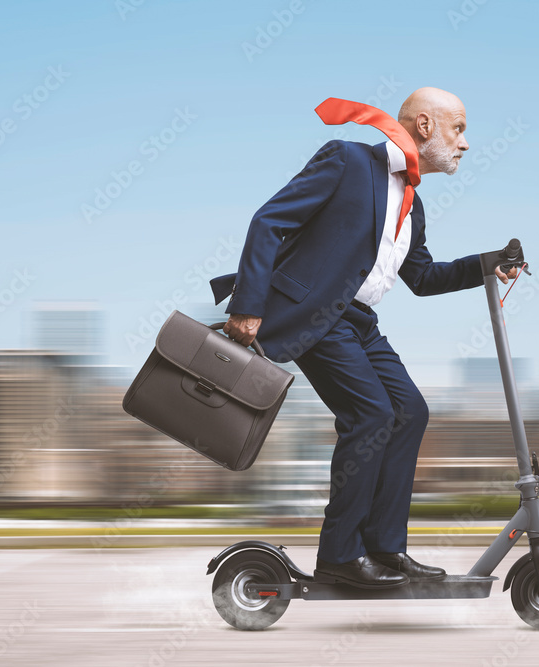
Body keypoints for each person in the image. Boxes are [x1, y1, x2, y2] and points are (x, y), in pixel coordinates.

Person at [212, 87, 517, 588]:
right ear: (424, 125)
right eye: (458, 128)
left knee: (409, 412)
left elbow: (421, 278)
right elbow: (268, 221)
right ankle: (339, 556)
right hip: (316, 316)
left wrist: (488, 263)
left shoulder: (413, 206)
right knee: (370, 415)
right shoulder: (349, 160)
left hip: (360, 324)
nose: (465, 143)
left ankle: (384, 548)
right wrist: (247, 306)